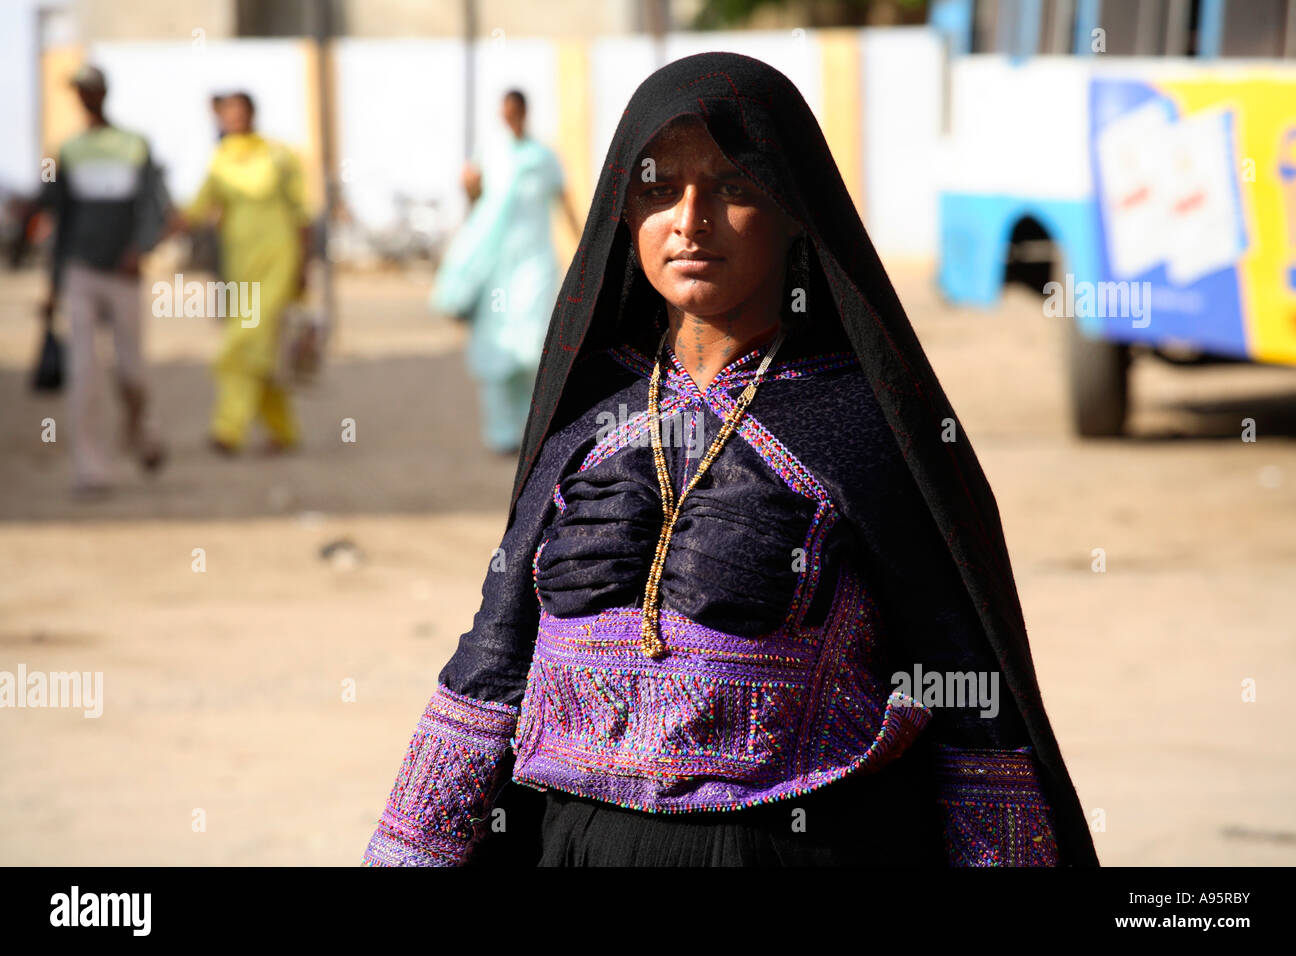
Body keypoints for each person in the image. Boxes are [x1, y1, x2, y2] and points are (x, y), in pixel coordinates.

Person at [363, 52, 1099, 867]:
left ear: (793, 212)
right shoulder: (587, 421)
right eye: (656, 189)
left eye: (733, 187)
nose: (689, 219)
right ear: (621, 213)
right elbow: (488, 671)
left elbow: (968, 701)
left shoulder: (864, 430)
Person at [41, 64, 169, 497]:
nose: (85, 97)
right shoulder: (69, 150)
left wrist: (141, 247)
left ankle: (143, 435)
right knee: (85, 373)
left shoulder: (134, 145)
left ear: (103, 93)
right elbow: (59, 220)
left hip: (125, 274)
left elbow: (155, 204)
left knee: (132, 371)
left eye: (90, 90)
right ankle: (92, 470)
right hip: (81, 271)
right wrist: (51, 287)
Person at [431, 89, 581, 455]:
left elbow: (564, 202)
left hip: (534, 263)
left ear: (525, 112)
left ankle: (532, 430)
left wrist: (582, 249)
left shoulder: (543, 157)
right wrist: (468, 187)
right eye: (504, 114)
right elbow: (477, 202)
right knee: (495, 344)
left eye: (514, 112)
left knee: (531, 345)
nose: (509, 119)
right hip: (494, 265)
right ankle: (502, 434)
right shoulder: (490, 153)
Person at [184, 91, 311, 456]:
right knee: (262, 350)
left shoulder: (279, 155)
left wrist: (304, 267)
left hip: (277, 262)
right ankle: (283, 431)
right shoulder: (221, 160)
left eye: (238, 111)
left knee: (238, 346)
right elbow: (196, 209)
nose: (232, 118)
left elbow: (302, 213)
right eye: (226, 113)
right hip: (239, 271)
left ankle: (227, 429)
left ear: (252, 112)